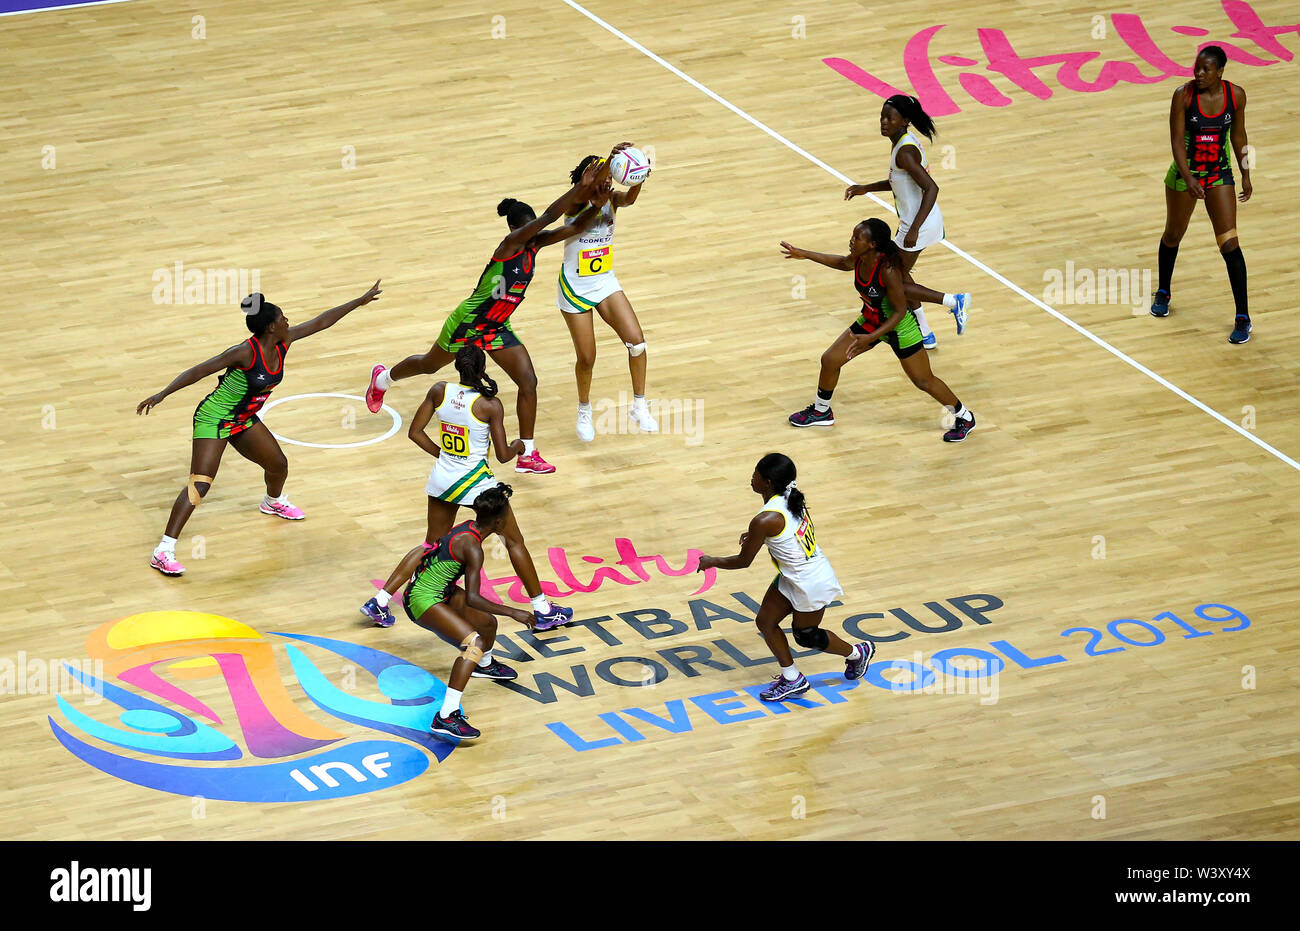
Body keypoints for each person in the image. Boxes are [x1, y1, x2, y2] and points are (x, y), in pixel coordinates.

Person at [365, 144, 630, 473]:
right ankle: (383, 379)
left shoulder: (535, 244)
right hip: (468, 322)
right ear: (516, 230)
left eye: (536, 228)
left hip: (496, 326)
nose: (536, 231)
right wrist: (579, 189)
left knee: (528, 381)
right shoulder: (509, 246)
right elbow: (550, 217)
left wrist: (598, 204)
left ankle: (528, 454)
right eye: (529, 228)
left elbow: (574, 228)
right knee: (429, 365)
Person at [136, 281, 383, 575]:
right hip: (215, 418)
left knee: (278, 464)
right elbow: (199, 370)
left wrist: (359, 300)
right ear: (270, 327)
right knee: (200, 483)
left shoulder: (284, 341)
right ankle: (163, 550)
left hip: (244, 419)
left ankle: (272, 502)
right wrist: (162, 394)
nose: (287, 321)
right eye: (282, 318)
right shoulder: (243, 352)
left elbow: (320, 322)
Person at [360, 343, 573, 630]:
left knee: (430, 545)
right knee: (513, 542)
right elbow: (502, 455)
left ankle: (381, 600)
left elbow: (415, 433)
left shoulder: (439, 390)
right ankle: (543, 609)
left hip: (443, 479)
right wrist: (519, 445)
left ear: (457, 367)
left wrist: (444, 457)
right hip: (476, 483)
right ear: (482, 368)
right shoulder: (489, 404)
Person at [696, 453, 874, 702]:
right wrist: (757, 537)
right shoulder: (788, 496)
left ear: (767, 482)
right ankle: (793, 679)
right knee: (765, 622)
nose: (752, 477)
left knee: (806, 636)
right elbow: (786, 531)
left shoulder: (764, 520)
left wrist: (711, 561)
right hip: (794, 574)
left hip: (811, 580)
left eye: (755, 474)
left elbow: (743, 562)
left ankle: (857, 653)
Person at [782, 218, 976, 441]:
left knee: (924, 381)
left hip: (900, 329)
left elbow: (900, 311)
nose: (852, 241)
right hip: (871, 321)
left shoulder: (887, 270)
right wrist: (804, 253)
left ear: (872, 244)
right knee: (830, 360)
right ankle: (821, 411)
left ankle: (964, 417)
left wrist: (870, 338)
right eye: (853, 236)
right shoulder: (858, 258)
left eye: (857, 238)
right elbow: (842, 263)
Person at [370, 485, 537, 741]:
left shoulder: (467, 526)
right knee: (474, 644)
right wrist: (515, 612)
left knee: (488, 624)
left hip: (440, 590)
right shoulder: (473, 548)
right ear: (500, 523)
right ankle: (446, 716)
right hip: (421, 600)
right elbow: (473, 598)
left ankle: (485, 666)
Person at [845, 95, 969, 348]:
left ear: (905, 121)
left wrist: (914, 229)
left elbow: (931, 189)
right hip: (917, 223)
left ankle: (953, 302)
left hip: (918, 225)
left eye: (890, 118)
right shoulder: (901, 144)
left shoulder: (905, 152)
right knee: (900, 277)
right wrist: (866, 188)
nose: (883, 122)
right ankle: (926, 332)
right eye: (882, 116)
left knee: (895, 280)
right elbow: (898, 181)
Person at [1150, 46, 1253, 344]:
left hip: (1219, 173)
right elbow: (1176, 142)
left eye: (1206, 70)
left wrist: (1246, 173)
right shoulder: (1183, 96)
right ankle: (1164, 291)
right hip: (1186, 174)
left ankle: (1243, 317)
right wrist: (1187, 177)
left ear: (1220, 72)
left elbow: (1239, 136)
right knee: (1173, 234)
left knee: (1230, 242)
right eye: (1197, 68)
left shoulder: (1236, 96)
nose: (1198, 73)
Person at [557, 152, 658, 441]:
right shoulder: (576, 202)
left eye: (612, 177)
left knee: (637, 343)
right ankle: (584, 409)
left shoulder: (612, 199)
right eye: (604, 176)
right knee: (587, 357)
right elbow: (582, 199)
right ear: (588, 178)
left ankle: (639, 405)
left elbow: (630, 199)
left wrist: (639, 176)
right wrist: (611, 155)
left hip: (604, 282)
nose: (609, 182)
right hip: (575, 287)